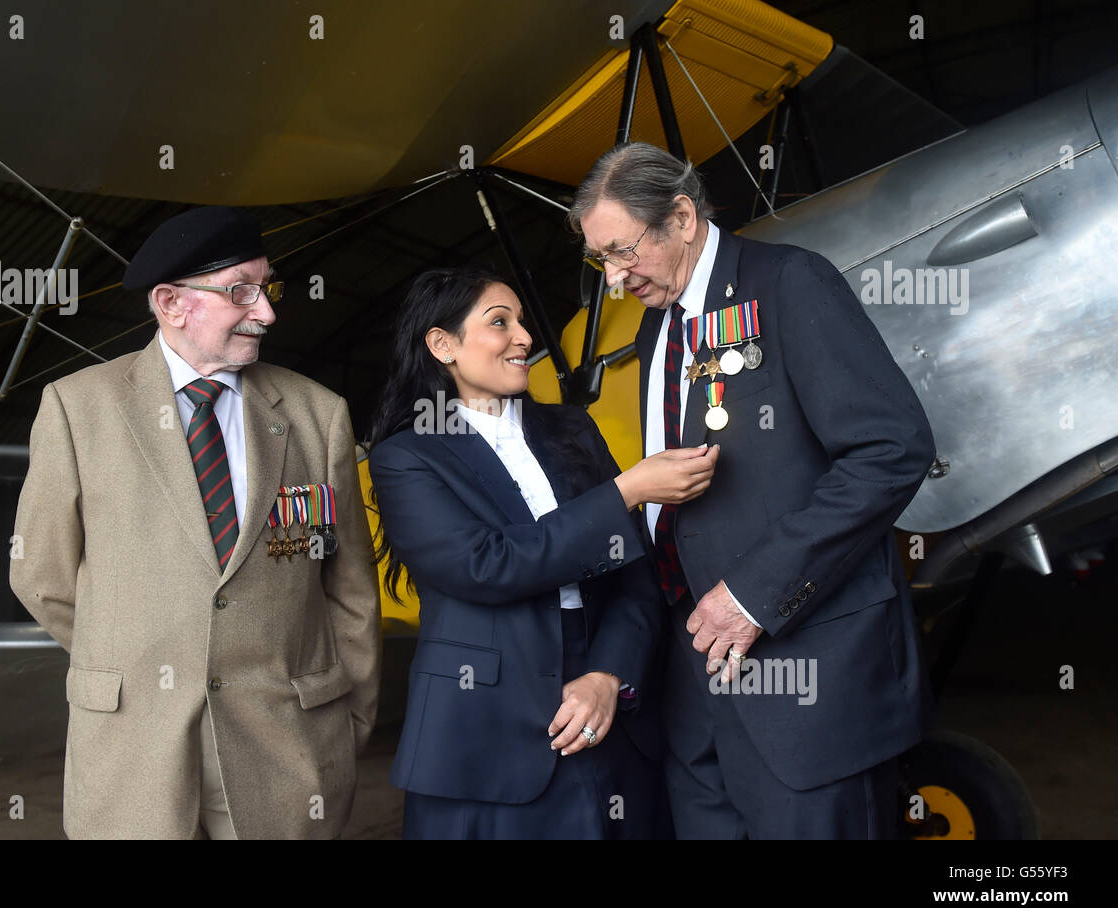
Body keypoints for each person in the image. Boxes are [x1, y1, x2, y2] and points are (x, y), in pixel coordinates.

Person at [571, 142, 937, 839]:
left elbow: (891, 450)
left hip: (807, 678)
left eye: (622, 251)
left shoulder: (790, 282)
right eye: (600, 261)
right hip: (694, 684)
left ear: (682, 217)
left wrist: (754, 595)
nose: (614, 278)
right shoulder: (657, 325)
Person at [9, 206, 381, 839]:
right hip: (134, 749)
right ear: (170, 304)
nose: (267, 312)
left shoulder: (319, 416)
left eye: (268, 288)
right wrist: (138, 657)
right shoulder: (77, 408)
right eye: (241, 292)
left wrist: (348, 722)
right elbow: (41, 576)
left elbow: (349, 589)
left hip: (286, 747)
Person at [366, 266, 717, 839]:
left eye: (523, 322)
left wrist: (610, 673)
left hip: (609, 705)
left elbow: (636, 573)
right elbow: (486, 564)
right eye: (499, 322)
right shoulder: (407, 457)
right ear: (443, 345)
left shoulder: (572, 429)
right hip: (485, 733)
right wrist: (625, 491)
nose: (525, 338)